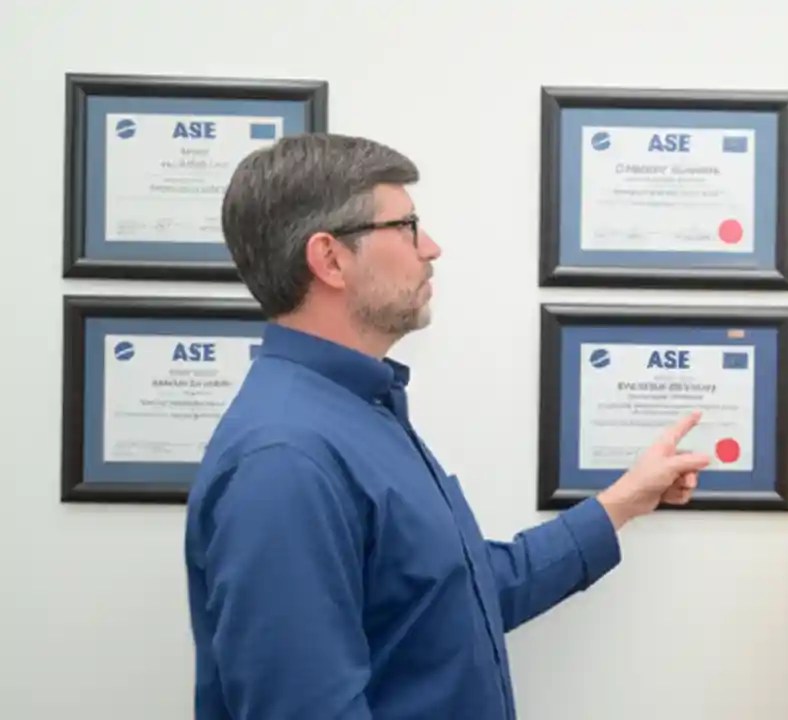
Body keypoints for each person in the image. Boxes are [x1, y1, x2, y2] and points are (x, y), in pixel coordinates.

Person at [183, 133, 711, 720]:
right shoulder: (284, 459)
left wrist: (621, 503)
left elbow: (460, 594)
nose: (431, 248)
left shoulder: (357, 411)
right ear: (330, 258)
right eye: (406, 227)